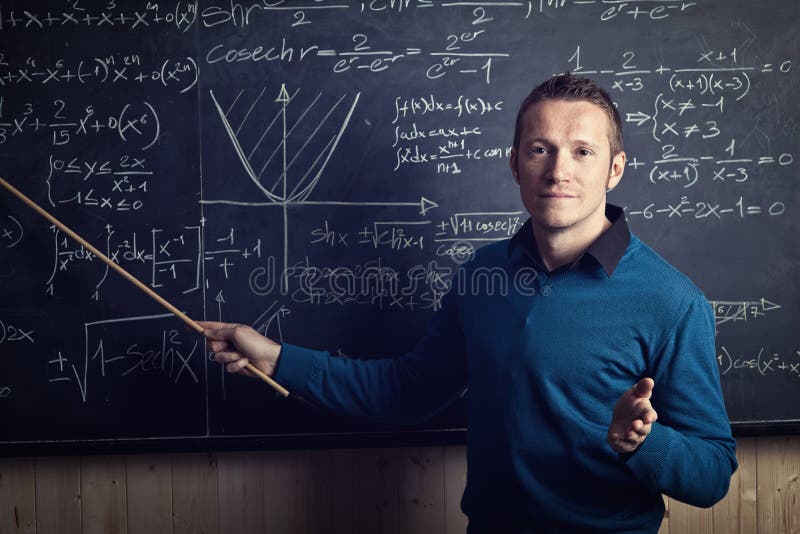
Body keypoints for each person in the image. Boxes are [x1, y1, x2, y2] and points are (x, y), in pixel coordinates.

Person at [199, 73, 737, 533]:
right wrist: (273, 358)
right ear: (515, 163)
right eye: (540, 148)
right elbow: (407, 391)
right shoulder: (483, 275)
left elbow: (713, 473)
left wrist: (641, 441)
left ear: (614, 170)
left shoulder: (671, 300)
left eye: (582, 151)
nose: (558, 171)